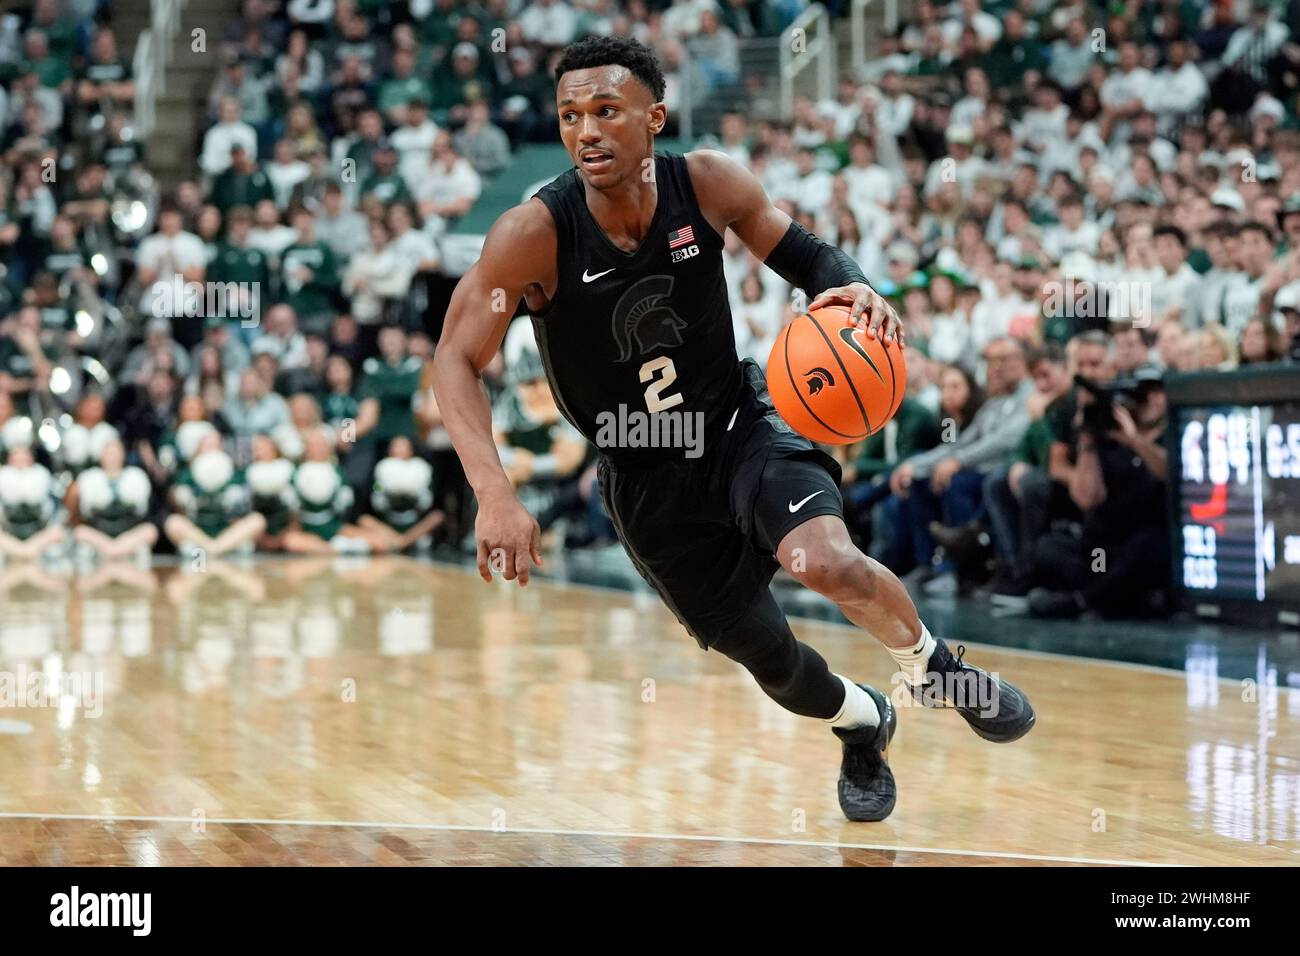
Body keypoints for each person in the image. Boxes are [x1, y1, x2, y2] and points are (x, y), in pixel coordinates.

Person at [432, 36, 1035, 824]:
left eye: (606, 111)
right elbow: (454, 359)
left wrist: (857, 291)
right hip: (643, 477)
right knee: (775, 664)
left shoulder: (707, 183)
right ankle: (861, 721)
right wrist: (494, 492)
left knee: (826, 561)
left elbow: (809, 257)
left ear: (654, 117)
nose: (586, 131)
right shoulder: (532, 233)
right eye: (570, 115)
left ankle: (934, 668)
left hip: (738, 426)